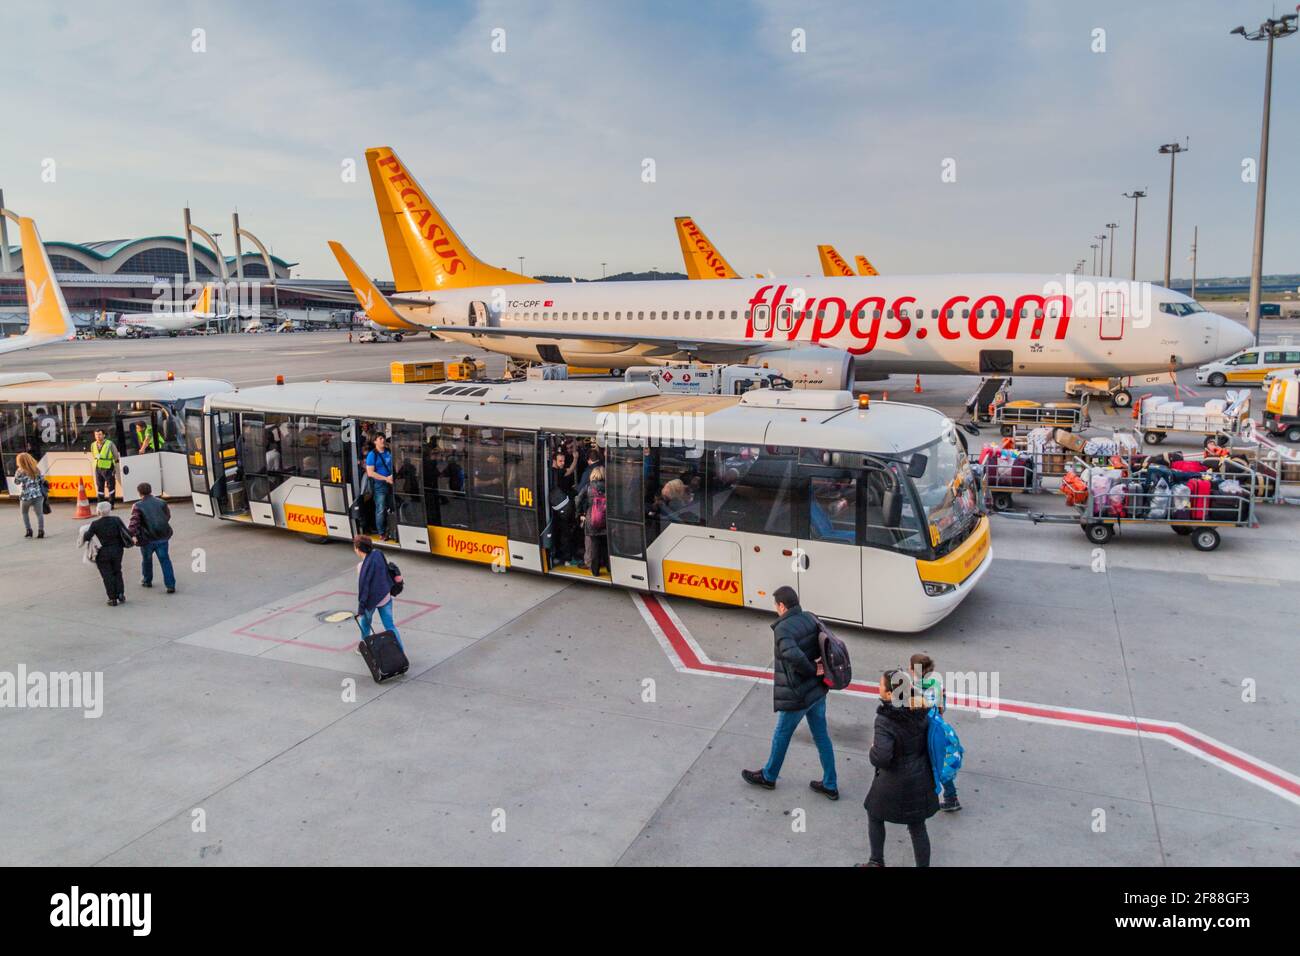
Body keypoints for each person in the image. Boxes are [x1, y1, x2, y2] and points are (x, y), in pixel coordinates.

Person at [742, 586, 838, 799]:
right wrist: (817, 670)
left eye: (776, 605)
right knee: (821, 736)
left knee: (781, 734)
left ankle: (769, 776)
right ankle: (830, 783)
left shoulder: (782, 629)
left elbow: (792, 655)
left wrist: (811, 669)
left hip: (798, 693)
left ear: (782, 606)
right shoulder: (810, 618)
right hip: (817, 691)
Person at [860, 669, 940, 867]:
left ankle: (876, 861)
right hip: (921, 776)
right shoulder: (921, 711)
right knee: (917, 826)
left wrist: (872, 750)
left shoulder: (885, 720)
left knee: (875, 814)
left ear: (889, 695)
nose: (878, 688)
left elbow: (882, 757)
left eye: (880, 686)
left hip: (893, 780)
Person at [911, 653, 960, 811]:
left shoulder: (916, 689)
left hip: (924, 734)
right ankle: (951, 797)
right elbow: (941, 709)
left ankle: (923, 797)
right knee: (940, 764)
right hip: (938, 732)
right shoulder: (937, 686)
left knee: (923, 765)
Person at [354, 535, 402, 650]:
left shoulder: (361, 567)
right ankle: (400, 650)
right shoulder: (378, 553)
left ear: (358, 549)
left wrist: (361, 609)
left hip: (371, 602)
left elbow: (364, 589)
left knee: (365, 623)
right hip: (385, 597)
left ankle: (366, 647)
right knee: (390, 626)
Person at [81, 500, 132, 606]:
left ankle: (112, 598)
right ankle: (121, 593)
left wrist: (84, 531)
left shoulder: (95, 524)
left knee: (107, 575)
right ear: (110, 510)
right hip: (117, 550)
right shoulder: (116, 520)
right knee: (117, 571)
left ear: (98, 512)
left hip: (102, 552)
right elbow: (126, 532)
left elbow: (87, 537)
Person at [129, 482, 176, 594]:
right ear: (150, 490)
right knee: (165, 560)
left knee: (147, 560)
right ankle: (170, 585)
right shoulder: (162, 502)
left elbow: (134, 523)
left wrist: (132, 535)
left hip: (147, 539)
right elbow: (167, 516)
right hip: (162, 536)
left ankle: (147, 580)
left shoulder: (138, 506)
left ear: (139, 493)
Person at [576, 465, 608, 577]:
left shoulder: (588, 487)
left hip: (592, 519)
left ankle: (595, 571)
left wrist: (579, 513)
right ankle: (609, 567)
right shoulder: (608, 486)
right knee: (605, 544)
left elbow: (578, 500)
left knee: (594, 545)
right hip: (606, 519)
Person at [365, 433, 395, 539]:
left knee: (392, 506)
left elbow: (396, 463)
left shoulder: (388, 452)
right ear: (375, 441)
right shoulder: (372, 455)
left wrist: (392, 475)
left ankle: (391, 529)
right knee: (381, 509)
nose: (383, 440)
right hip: (379, 485)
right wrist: (386, 478)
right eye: (380, 439)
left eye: (383, 438)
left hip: (391, 483)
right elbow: (370, 473)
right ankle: (382, 533)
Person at [14, 452, 48, 539]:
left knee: (24, 513)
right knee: (39, 514)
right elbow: (43, 480)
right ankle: (41, 531)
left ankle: (29, 530)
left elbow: (16, 482)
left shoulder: (19, 471)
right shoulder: (36, 469)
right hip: (38, 496)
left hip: (26, 497)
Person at [89, 428, 119, 508]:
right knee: (100, 486)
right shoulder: (93, 444)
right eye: (96, 435)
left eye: (100, 434)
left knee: (111, 486)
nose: (98, 436)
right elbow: (93, 454)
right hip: (98, 467)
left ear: (104, 435)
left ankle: (111, 504)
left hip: (108, 467)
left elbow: (116, 455)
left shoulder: (109, 443)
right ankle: (100, 504)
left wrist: (115, 466)